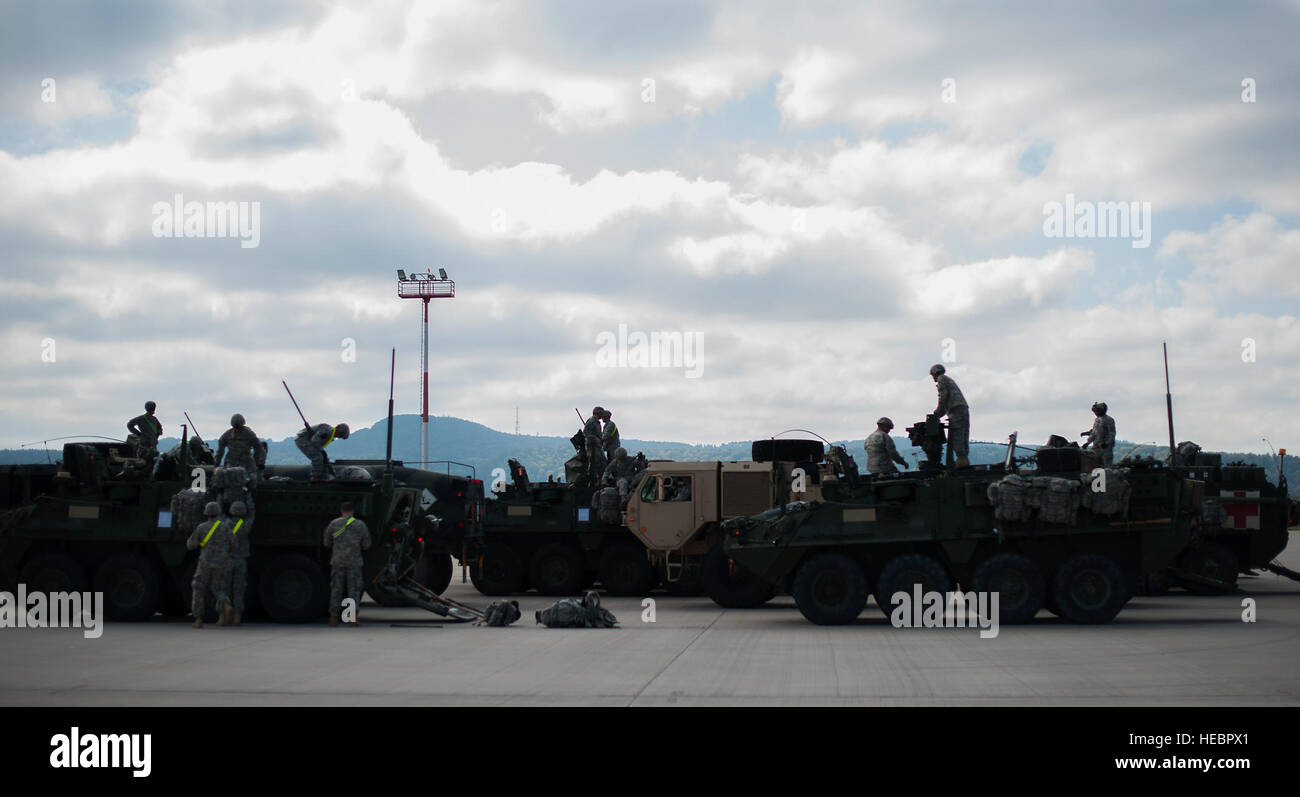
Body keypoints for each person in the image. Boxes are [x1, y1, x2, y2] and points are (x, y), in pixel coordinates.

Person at [185, 501, 235, 628]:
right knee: (219, 589)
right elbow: (234, 545)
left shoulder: (202, 527)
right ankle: (224, 611)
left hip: (205, 562)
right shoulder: (226, 527)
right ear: (218, 513)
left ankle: (198, 619)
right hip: (222, 563)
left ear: (206, 513)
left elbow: (190, 545)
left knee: (198, 587)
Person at [324, 501, 371, 626]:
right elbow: (367, 545)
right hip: (354, 562)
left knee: (336, 589)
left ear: (341, 511)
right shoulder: (360, 525)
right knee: (353, 590)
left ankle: (333, 617)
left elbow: (327, 543)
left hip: (337, 561)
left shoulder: (334, 524)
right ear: (353, 511)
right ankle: (351, 618)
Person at [930, 364, 970, 468]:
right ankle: (964, 458)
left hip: (955, 409)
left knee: (957, 433)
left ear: (935, 373)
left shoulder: (941, 379)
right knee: (963, 433)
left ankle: (961, 459)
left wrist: (937, 412)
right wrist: (940, 414)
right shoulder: (948, 379)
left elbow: (943, 396)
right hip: (962, 408)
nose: (933, 378)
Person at [216, 414, 266, 485]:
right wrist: (217, 462)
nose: (237, 430)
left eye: (239, 428)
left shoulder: (249, 434)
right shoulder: (227, 435)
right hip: (231, 463)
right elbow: (220, 449)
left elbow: (259, 449)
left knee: (252, 481)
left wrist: (260, 463)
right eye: (235, 428)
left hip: (247, 463)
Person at [227, 500, 251, 625]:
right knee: (239, 589)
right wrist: (249, 499)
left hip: (229, 560)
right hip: (241, 561)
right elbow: (252, 513)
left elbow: (218, 514)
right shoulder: (246, 525)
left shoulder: (226, 524)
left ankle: (225, 615)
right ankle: (237, 617)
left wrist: (220, 498)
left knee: (226, 589)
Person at [1082, 402, 1117, 466]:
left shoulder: (1109, 420)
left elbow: (1112, 434)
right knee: (1094, 462)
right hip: (1096, 445)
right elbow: (1094, 433)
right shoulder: (1097, 420)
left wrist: (1107, 443)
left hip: (1106, 447)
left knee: (1106, 464)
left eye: (1097, 411)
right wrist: (1088, 442)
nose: (1096, 413)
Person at [583, 407, 606, 481]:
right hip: (592, 447)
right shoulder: (592, 421)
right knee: (593, 463)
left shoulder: (596, 422)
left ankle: (600, 479)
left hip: (597, 446)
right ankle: (591, 480)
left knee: (601, 462)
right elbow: (586, 432)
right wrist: (594, 438)